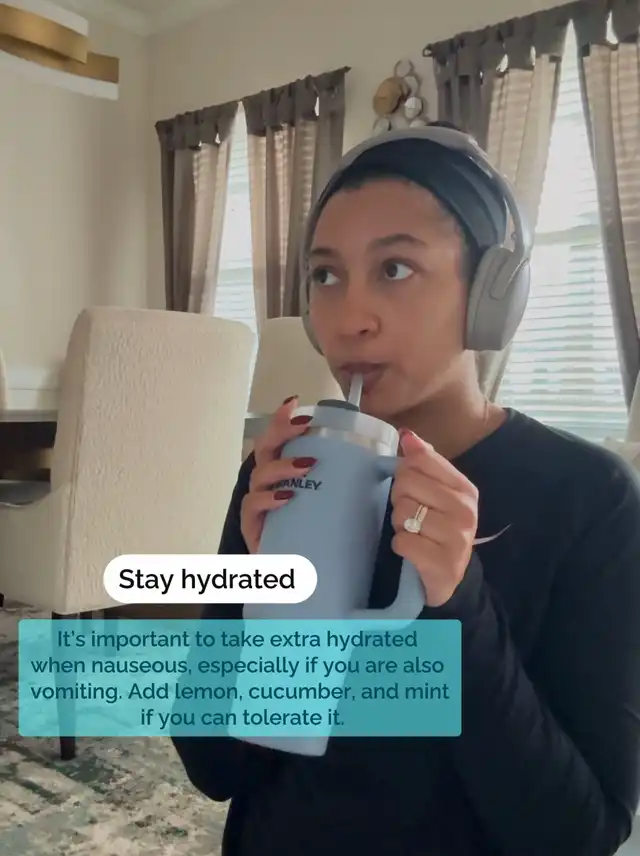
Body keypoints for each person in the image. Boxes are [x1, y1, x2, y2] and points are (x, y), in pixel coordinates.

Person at [171, 123, 640, 856]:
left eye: (394, 268)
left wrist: (459, 605)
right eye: (326, 276)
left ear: (490, 295)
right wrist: (261, 602)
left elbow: (578, 835)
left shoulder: (591, 499)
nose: (348, 321)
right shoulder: (283, 474)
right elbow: (215, 768)